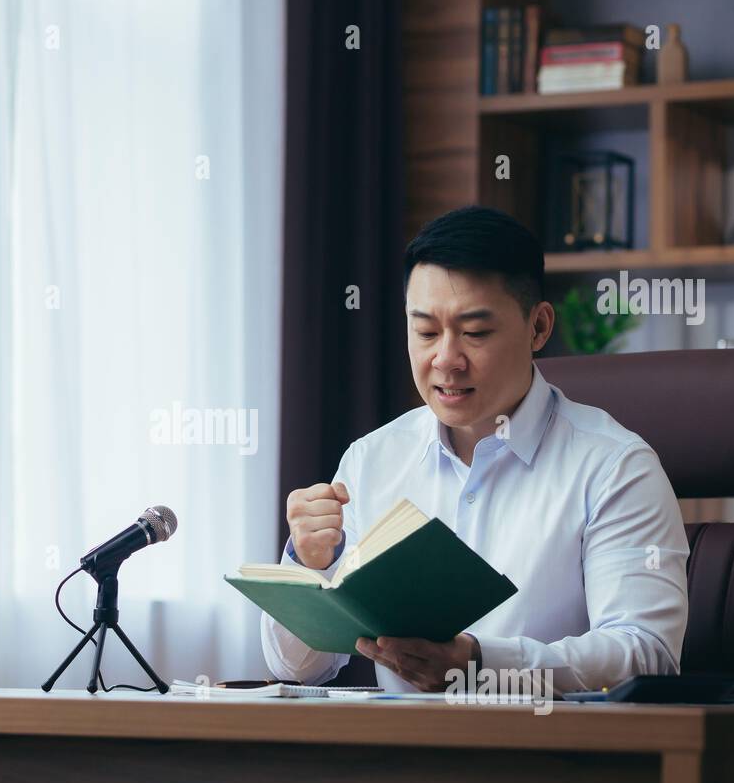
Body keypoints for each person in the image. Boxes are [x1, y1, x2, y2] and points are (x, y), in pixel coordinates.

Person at [261, 206, 689, 693]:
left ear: (539, 328)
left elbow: (645, 653)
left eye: (475, 333)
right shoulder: (372, 461)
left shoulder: (614, 467)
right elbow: (296, 671)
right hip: (397, 760)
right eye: (424, 332)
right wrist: (309, 564)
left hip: (550, 759)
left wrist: (483, 664)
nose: (445, 359)